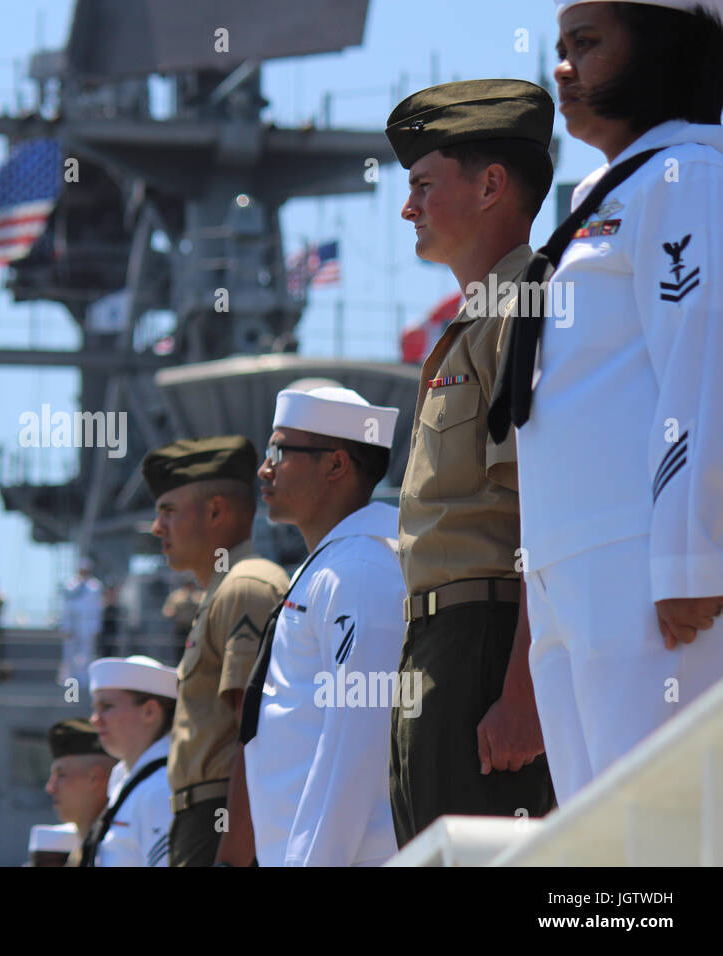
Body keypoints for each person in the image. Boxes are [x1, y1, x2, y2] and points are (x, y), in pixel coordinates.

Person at [489, 0, 723, 804]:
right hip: (574, 567)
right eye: (559, 47)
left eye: (586, 44)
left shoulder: (688, 176)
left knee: (662, 830)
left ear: (661, 48)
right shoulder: (606, 193)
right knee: (597, 836)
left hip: (647, 564)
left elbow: (704, 360)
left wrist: (694, 554)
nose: (562, 66)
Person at [384, 78, 559, 846]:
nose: (407, 207)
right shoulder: (478, 320)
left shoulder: (528, 306)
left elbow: (544, 511)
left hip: (488, 647)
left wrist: (524, 687)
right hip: (438, 646)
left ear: (492, 186)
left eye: (423, 184)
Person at [218, 386, 406, 866]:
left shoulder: (360, 571)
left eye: (280, 452)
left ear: (337, 465)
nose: (265, 469)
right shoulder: (327, 569)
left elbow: (356, 742)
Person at [142, 436, 290, 866]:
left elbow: (254, 729)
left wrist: (234, 850)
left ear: (215, 511)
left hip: (221, 819)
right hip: (202, 818)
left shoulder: (246, 586)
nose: (157, 528)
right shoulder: (223, 591)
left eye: (167, 512)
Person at [81, 656, 177, 867]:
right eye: (95, 708)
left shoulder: (161, 789)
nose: (94, 719)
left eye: (106, 706)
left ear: (149, 712)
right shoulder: (125, 778)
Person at [45, 717, 116, 866]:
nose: (51, 787)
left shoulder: (119, 848)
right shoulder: (83, 850)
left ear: (94, 778)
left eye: (61, 775)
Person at [59, 559, 103, 691]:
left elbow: (97, 608)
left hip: (87, 623)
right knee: (69, 653)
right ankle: (69, 680)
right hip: (73, 623)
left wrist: (96, 626)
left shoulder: (95, 586)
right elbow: (66, 608)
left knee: (86, 653)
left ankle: (84, 680)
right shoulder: (71, 585)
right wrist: (65, 626)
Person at [162, 580, 205, 662]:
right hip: (181, 630)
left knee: (193, 652)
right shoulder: (176, 596)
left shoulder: (200, 596)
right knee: (180, 654)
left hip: (194, 630)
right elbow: (167, 612)